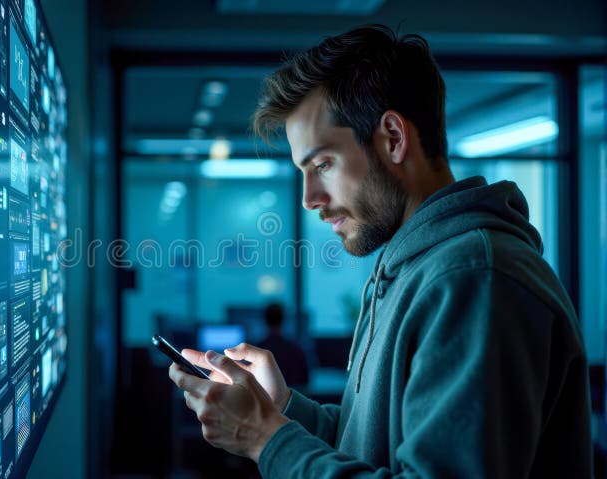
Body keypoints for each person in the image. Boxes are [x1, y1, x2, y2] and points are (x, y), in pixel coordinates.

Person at [168, 24, 592, 478]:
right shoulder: (411, 269)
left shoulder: (473, 279)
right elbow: (373, 450)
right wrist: (283, 409)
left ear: (393, 137)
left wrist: (265, 438)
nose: (309, 198)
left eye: (323, 164)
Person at [257, 303, 309, 389]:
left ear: (264, 320)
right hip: (292, 399)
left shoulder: (257, 350)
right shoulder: (296, 349)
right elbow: (305, 381)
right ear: (284, 320)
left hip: (264, 399)